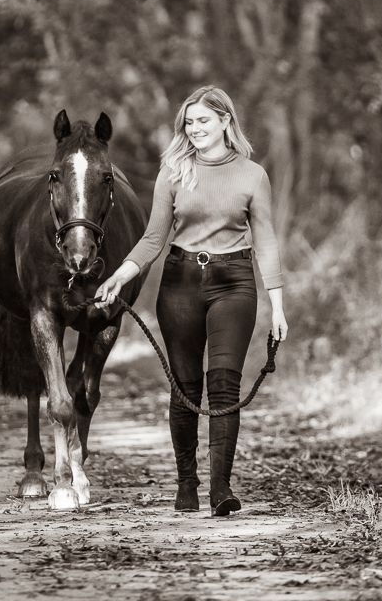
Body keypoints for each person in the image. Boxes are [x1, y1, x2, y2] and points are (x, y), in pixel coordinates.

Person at [94, 85, 288, 517]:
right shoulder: (174, 172)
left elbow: (267, 241)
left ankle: (221, 488)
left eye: (203, 120)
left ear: (225, 121)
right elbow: (153, 238)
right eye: (189, 121)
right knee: (184, 387)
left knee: (224, 386)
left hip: (234, 283)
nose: (194, 128)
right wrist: (120, 275)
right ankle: (187, 483)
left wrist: (277, 305)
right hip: (180, 281)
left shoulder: (253, 175)